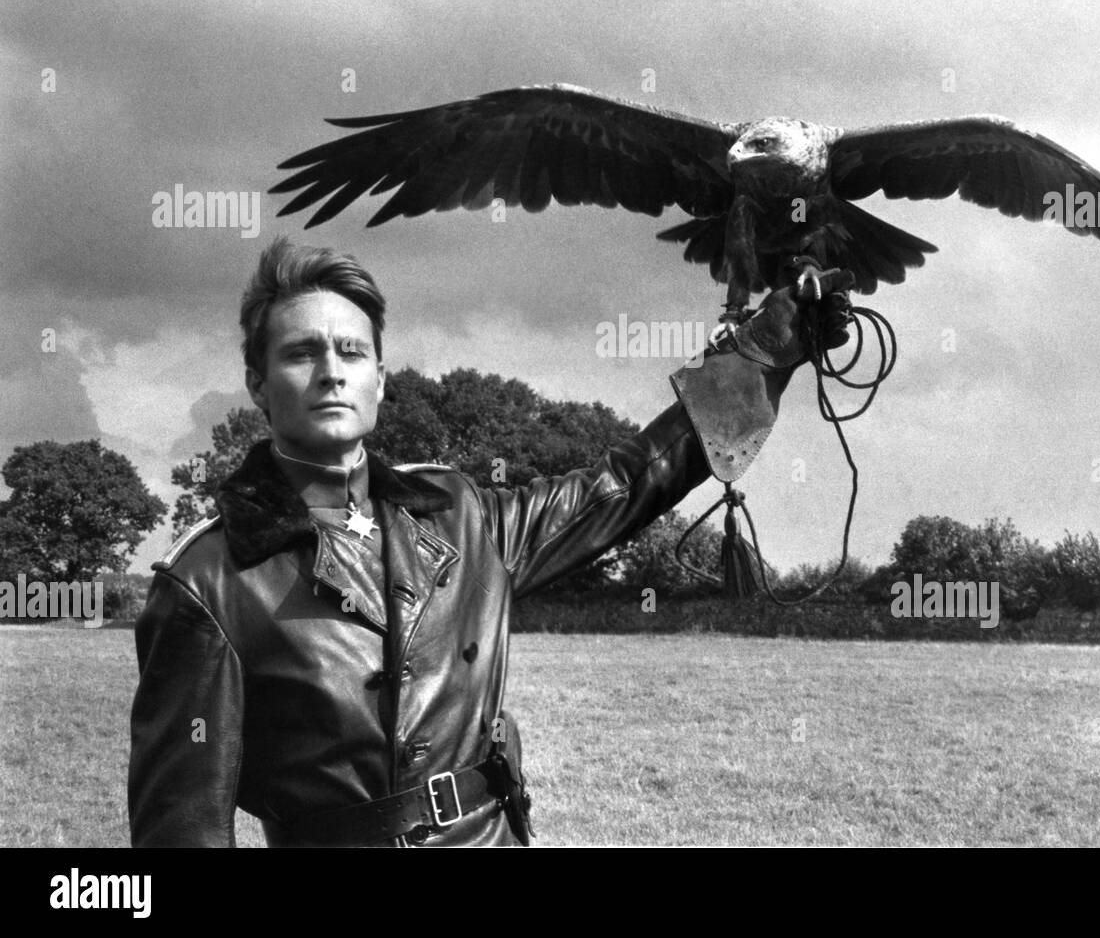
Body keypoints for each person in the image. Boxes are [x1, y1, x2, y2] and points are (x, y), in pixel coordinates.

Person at [128, 236, 851, 847]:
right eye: (300, 353)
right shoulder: (208, 582)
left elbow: (620, 487)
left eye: (352, 350)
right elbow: (181, 830)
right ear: (256, 381)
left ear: (380, 378)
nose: (331, 370)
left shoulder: (457, 511)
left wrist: (758, 360)